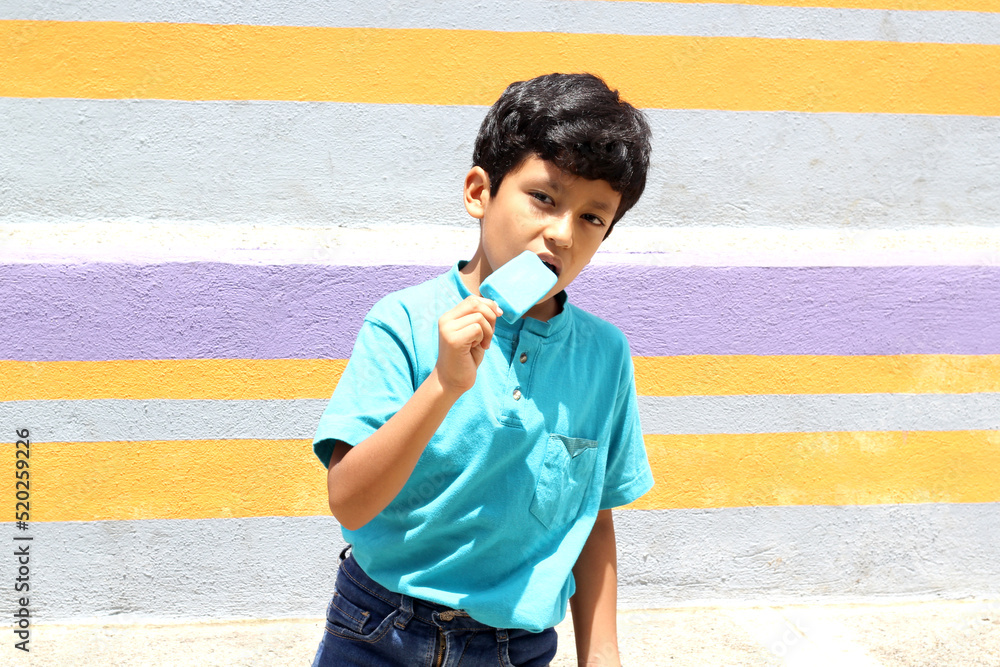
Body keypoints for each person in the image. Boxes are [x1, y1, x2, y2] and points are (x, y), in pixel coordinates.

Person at [311, 72, 654, 667]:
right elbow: (349, 502)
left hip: (513, 646)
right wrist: (444, 386)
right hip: (379, 628)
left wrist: (601, 654)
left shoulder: (603, 354)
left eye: (592, 218)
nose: (561, 233)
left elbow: (593, 517)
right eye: (543, 198)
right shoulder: (404, 322)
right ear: (479, 193)